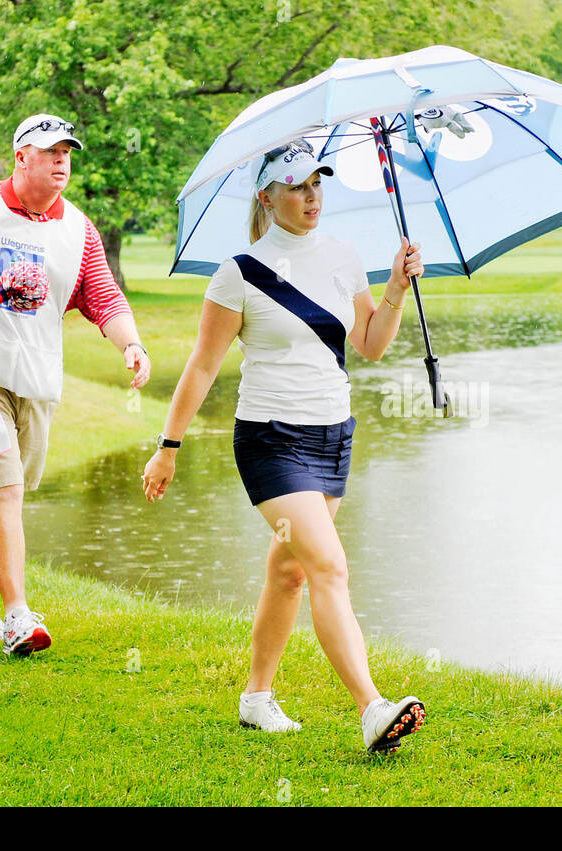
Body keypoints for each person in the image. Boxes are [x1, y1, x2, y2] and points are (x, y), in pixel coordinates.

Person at [141, 140, 427, 753]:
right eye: (296, 187)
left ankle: (255, 697)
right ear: (267, 198)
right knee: (329, 566)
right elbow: (201, 368)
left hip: (333, 434)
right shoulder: (238, 272)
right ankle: (372, 709)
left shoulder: (344, 257)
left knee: (292, 571)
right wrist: (169, 446)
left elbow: (371, 344)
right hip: (271, 439)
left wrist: (398, 289)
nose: (311, 196)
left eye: (317, 184)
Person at [0, 113, 152, 656]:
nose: (61, 162)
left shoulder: (78, 229)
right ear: (21, 156)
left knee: (0, 496)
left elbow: (103, 295)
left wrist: (132, 344)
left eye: (67, 153)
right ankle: (18, 615)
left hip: (38, 379)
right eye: (50, 152)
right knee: (5, 489)